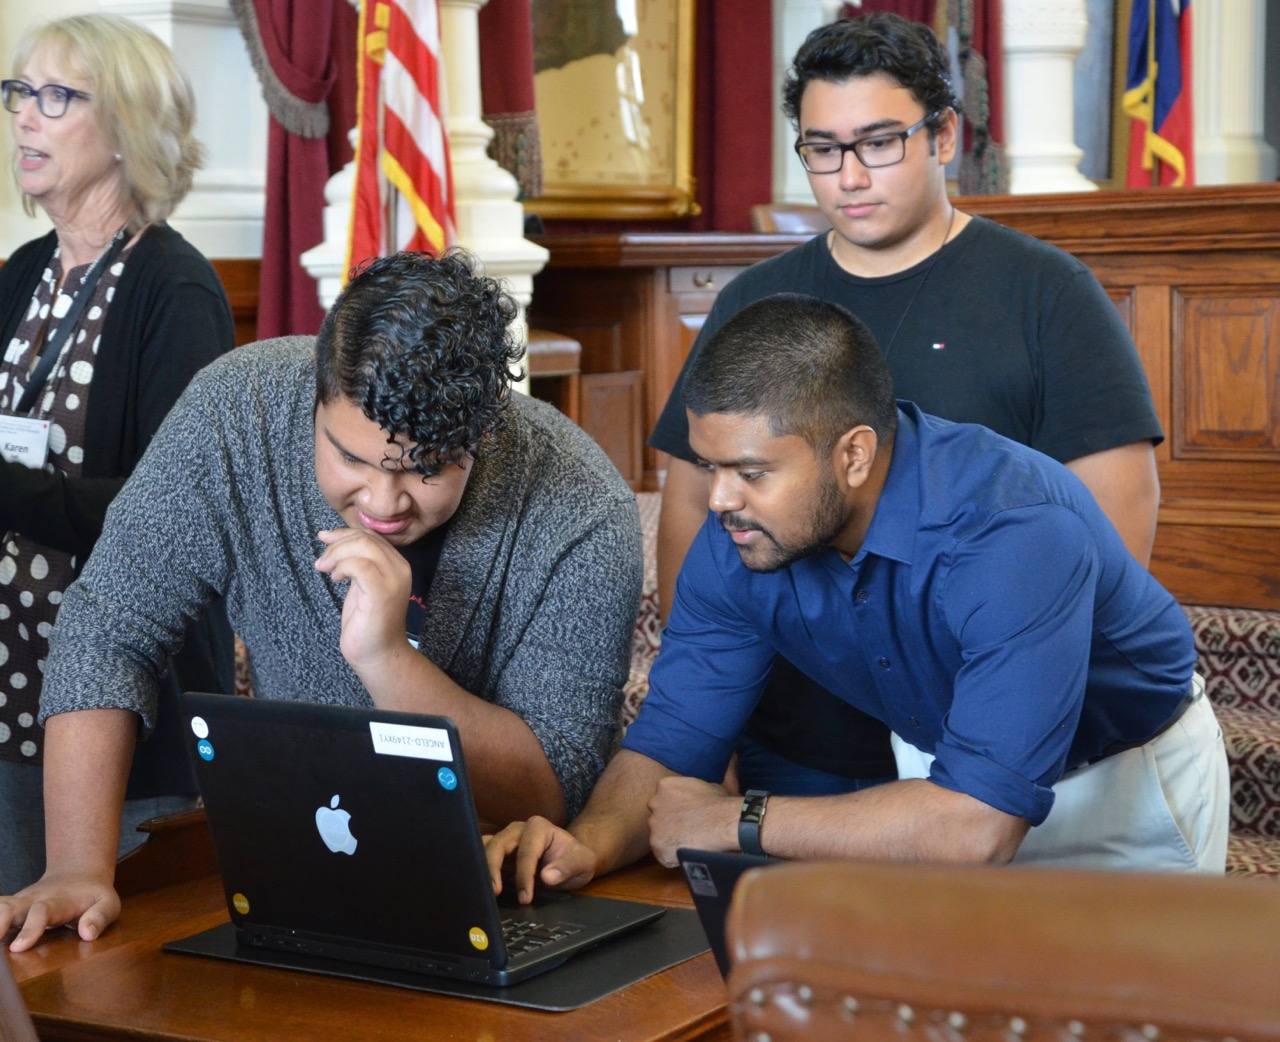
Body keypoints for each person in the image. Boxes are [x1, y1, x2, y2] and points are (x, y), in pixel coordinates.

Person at [0, 249, 642, 951]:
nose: (383, 502)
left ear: (485, 432)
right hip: (290, 873)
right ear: (315, 393)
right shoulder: (234, 411)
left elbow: (547, 787)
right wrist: (75, 869)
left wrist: (386, 659)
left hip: (505, 905)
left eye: (424, 470)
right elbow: (109, 628)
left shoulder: (582, 506)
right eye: (351, 458)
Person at [486, 294, 1230, 900]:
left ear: (854, 455)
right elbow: (675, 737)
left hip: (1118, 780)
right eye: (708, 466)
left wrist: (741, 820)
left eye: (750, 471)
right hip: (950, 778)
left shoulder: (1011, 530)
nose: (717, 500)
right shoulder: (743, 533)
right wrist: (581, 845)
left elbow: (977, 831)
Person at [648, 12, 1165, 797]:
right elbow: (694, 503)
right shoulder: (755, 299)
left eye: (879, 142)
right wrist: (705, 717)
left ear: (945, 134)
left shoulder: (1046, 294)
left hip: (983, 732)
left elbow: (1111, 519)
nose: (849, 176)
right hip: (797, 738)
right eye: (823, 150)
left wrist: (1023, 699)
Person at [0, 15, 235, 894]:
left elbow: (167, 515)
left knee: (92, 988)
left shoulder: (174, 288)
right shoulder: (26, 271)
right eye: (20, 92)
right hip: (8, 688)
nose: (25, 116)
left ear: (130, 127)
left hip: (118, 704)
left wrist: (8, 494)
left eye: (55, 96)